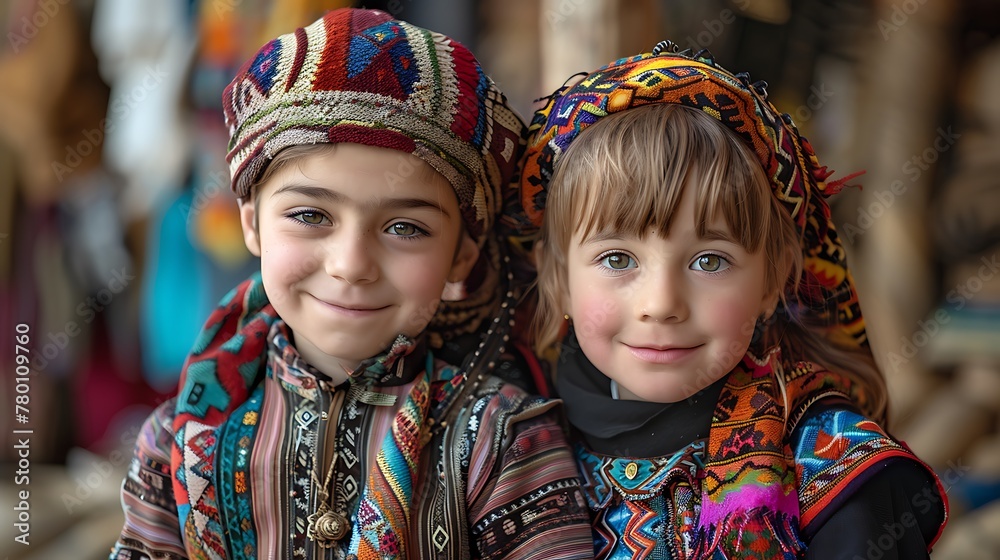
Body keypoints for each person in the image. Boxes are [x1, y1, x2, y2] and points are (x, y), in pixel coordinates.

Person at [109, 8, 593, 560]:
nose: (351, 265)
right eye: (311, 216)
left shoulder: (504, 441)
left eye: (405, 228)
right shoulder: (175, 443)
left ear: (462, 254)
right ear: (252, 224)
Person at [520, 41, 948, 559]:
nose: (661, 303)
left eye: (709, 261)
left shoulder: (841, 479)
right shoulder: (507, 449)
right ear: (558, 277)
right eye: (617, 258)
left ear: (772, 281)